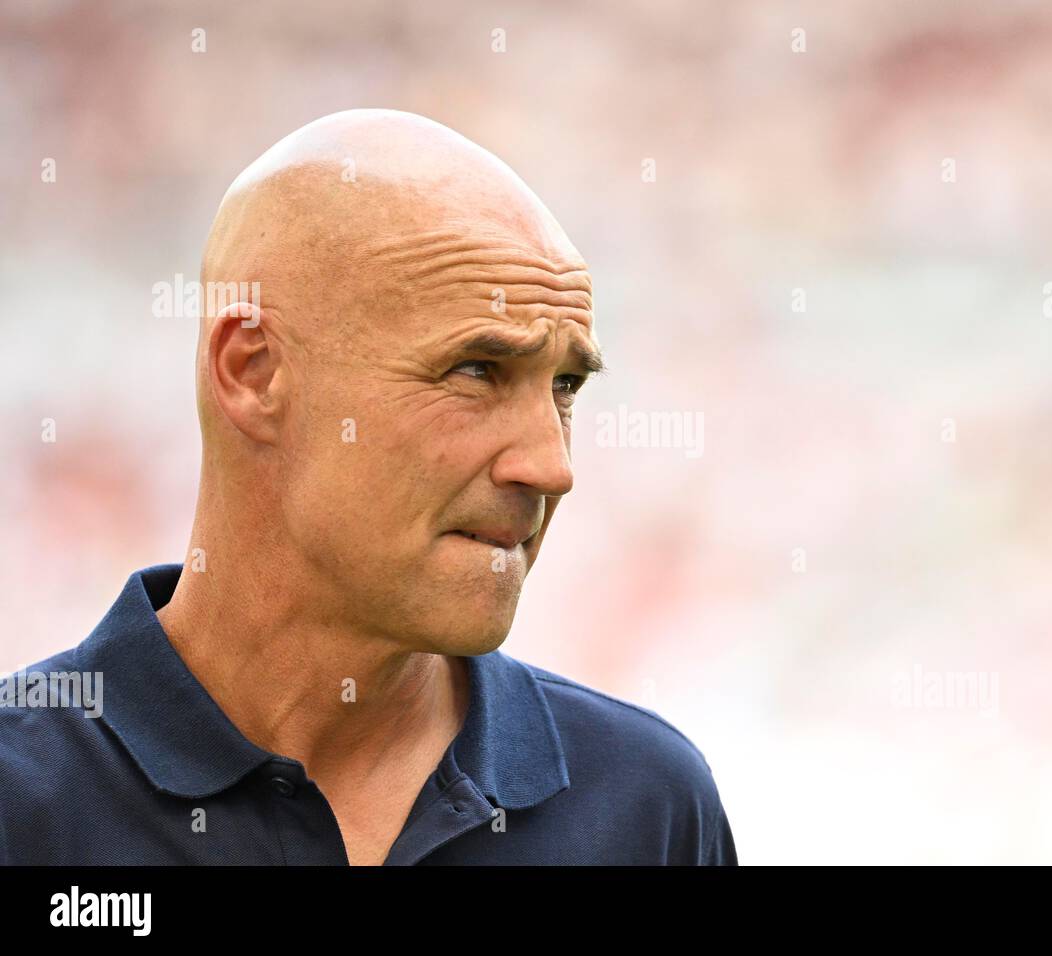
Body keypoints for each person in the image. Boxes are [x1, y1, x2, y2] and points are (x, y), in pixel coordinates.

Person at [0, 109, 737, 866]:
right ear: (253, 374)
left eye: (567, 385)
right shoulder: (22, 802)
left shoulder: (646, 808)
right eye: (478, 370)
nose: (552, 468)